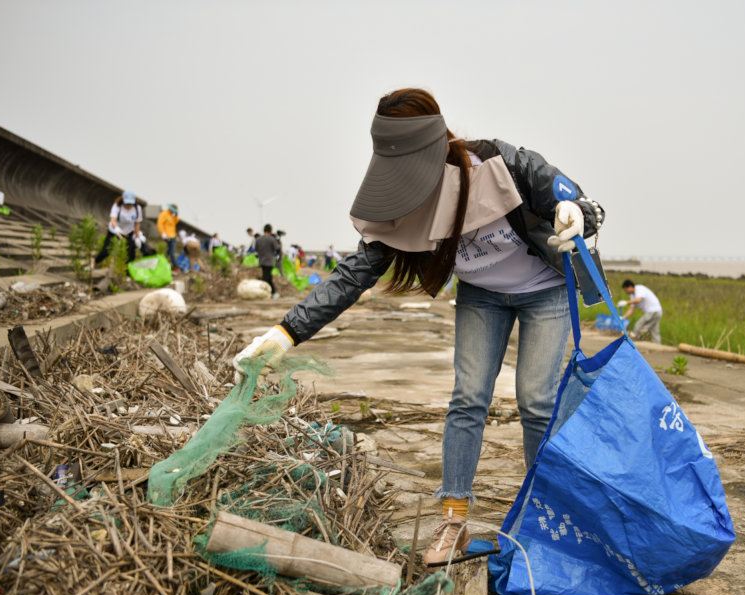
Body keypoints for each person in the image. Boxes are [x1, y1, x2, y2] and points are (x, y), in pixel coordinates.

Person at [233, 88, 605, 566]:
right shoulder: (404, 203)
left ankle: (543, 519)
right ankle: (453, 520)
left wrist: (578, 215)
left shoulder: (501, 164)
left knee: (537, 401)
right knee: (468, 397)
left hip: (544, 289)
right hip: (482, 296)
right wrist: (285, 333)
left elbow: (580, 204)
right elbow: (353, 275)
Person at [95, 190, 142, 266]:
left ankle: (127, 272)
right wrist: (116, 228)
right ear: (123, 200)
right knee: (106, 251)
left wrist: (137, 237)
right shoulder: (117, 206)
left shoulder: (137, 208)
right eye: (127, 203)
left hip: (128, 232)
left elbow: (137, 223)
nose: (128, 205)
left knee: (129, 254)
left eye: (130, 203)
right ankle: (95, 263)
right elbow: (113, 219)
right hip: (114, 231)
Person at [619, 279, 662, 344]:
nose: (626, 292)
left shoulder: (639, 289)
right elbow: (632, 309)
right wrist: (623, 317)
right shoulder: (632, 295)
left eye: (626, 290)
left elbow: (639, 300)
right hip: (656, 311)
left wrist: (626, 302)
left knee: (638, 326)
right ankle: (657, 344)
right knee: (654, 330)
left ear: (630, 287)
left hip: (653, 311)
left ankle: (634, 341)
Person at [254, 224, 280, 298]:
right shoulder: (272, 239)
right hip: (270, 261)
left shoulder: (258, 239)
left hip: (262, 260)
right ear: (270, 231)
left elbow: (256, 250)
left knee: (268, 276)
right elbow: (277, 249)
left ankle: (273, 292)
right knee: (266, 278)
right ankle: (264, 293)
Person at [158, 203, 180, 269]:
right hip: (167, 236)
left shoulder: (171, 215)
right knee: (172, 251)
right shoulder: (164, 214)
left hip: (173, 236)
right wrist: (163, 233)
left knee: (169, 251)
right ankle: (175, 266)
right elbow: (160, 224)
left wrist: (176, 215)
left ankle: (161, 263)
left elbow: (175, 222)